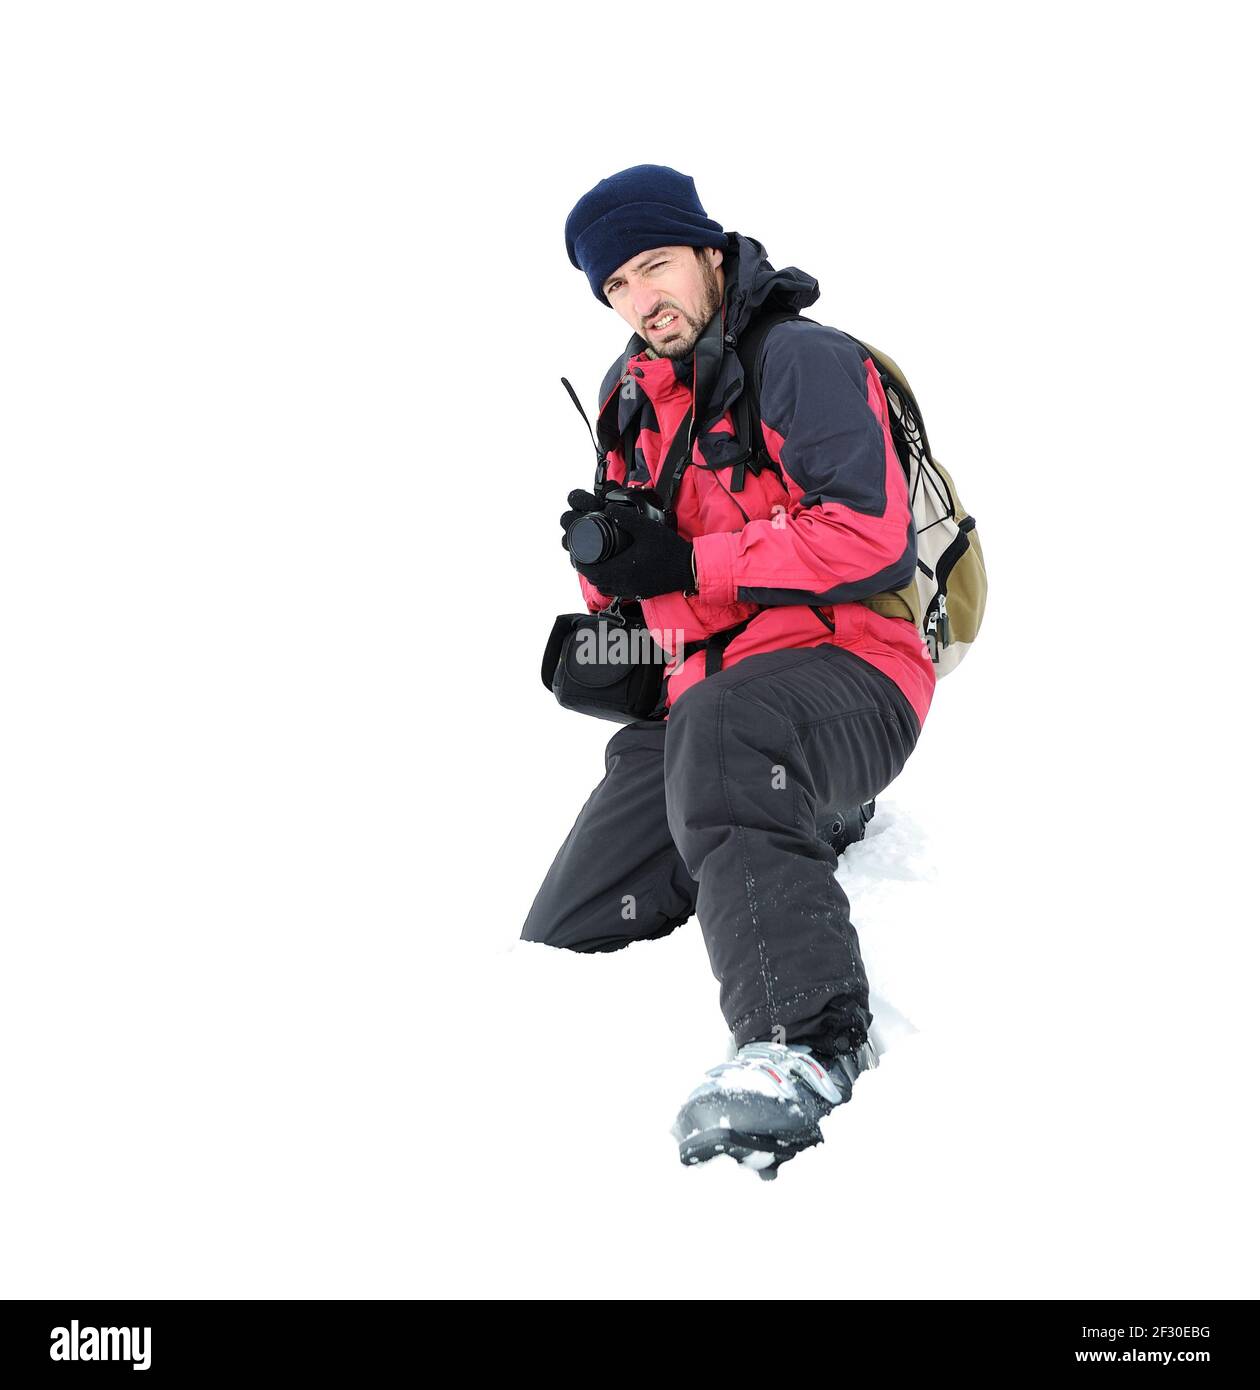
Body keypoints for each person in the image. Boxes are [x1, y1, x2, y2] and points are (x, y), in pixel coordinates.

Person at [523, 165, 935, 1178]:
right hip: (707, 696)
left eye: (654, 266)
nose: (639, 300)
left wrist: (693, 559)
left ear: (709, 251)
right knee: (572, 925)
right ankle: (800, 818)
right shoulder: (631, 397)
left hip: (852, 676)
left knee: (723, 732)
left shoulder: (802, 361)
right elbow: (649, 596)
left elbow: (867, 538)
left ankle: (808, 1041)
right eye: (614, 286)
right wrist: (610, 567)